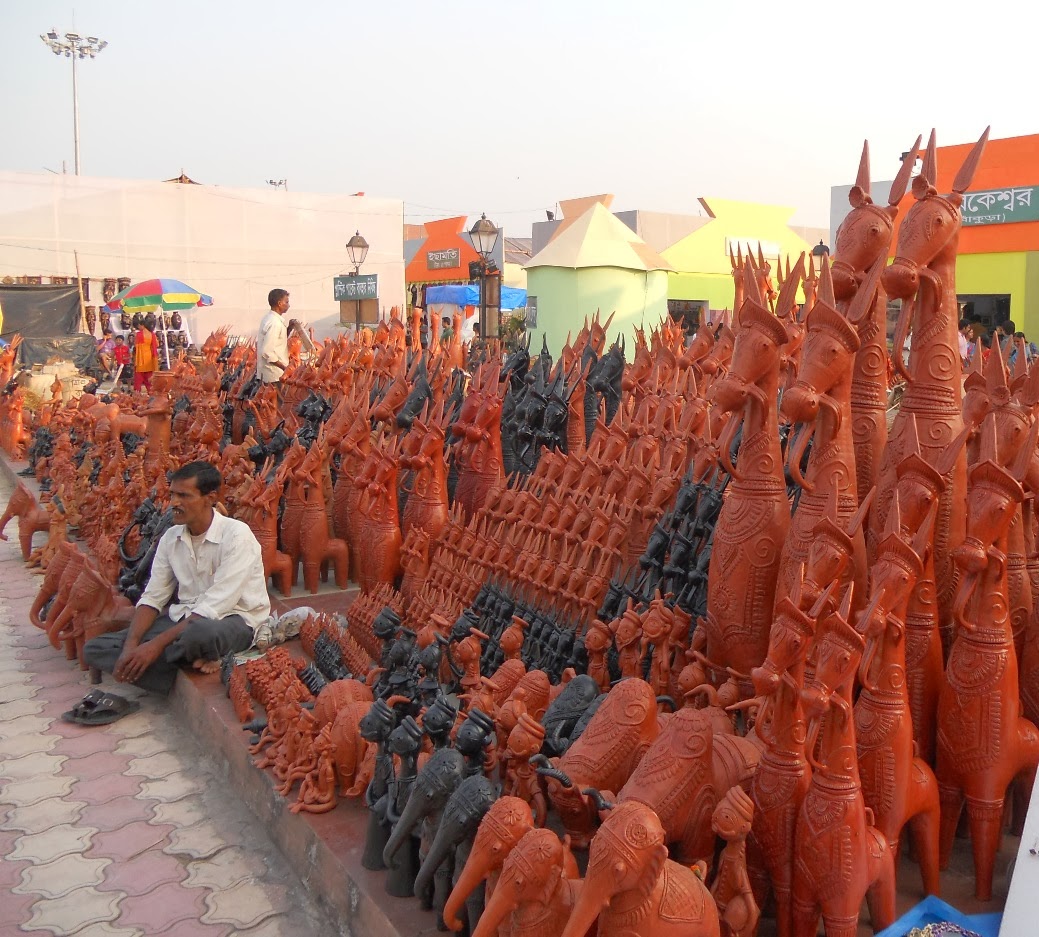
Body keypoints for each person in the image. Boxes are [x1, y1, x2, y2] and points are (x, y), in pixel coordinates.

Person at [83, 461, 270, 695]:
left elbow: (214, 607)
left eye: (183, 496)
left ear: (210, 498)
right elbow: (153, 597)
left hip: (233, 620)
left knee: (200, 635)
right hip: (184, 618)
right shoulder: (171, 538)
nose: (174, 503)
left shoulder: (237, 536)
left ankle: (163, 664)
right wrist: (132, 646)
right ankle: (179, 664)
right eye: (172, 495)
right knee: (94, 647)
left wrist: (153, 647)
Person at [257, 288, 299, 385]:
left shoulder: (269, 318)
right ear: (280, 303)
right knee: (277, 400)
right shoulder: (275, 323)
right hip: (274, 376)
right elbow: (267, 352)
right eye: (287, 302)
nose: (289, 305)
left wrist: (289, 328)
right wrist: (285, 368)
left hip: (272, 374)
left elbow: (278, 340)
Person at [133, 314, 160, 392]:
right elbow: (157, 345)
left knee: (138, 381)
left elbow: (135, 345)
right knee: (149, 381)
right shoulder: (152, 334)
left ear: (142, 325)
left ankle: (136, 395)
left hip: (140, 359)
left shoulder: (139, 334)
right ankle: (151, 395)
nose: (138, 327)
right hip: (149, 359)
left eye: (139, 325)